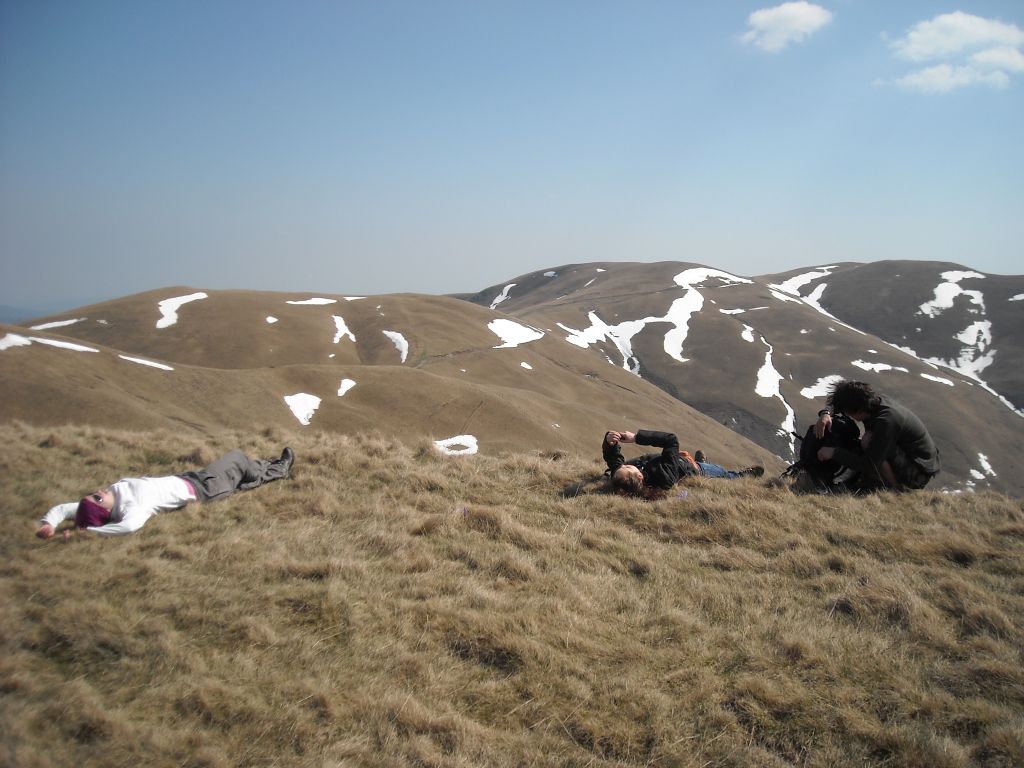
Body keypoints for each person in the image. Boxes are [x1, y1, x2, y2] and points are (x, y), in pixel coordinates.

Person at [36, 447, 295, 538]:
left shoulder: (107, 499)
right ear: (103, 510)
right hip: (203, 489)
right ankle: (278, 470)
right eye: (97, 498)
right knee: (237, 460)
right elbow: (128, 528)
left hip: (191, 478)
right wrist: (87, 533)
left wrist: (49, 524)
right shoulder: (132, 509)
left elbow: (64, 509)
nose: (98, 491)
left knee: (239, 474)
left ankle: (269, 467)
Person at [813, 380, 939, 491]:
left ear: (857, 410)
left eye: (848, 412)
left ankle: (894, 488)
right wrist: (825, 414)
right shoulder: (871, 402)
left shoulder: (886, 421)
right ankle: (878, 481)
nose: (847, 415)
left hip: (918, 473)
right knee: (867, 440)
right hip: (911, 458)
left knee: (867, 441)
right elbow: (838, 403)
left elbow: (869, 464)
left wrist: (834, 453)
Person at [603, 429, 762, 497]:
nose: (625, 465)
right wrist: (637, 438)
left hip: (678, 461)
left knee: (685, 460)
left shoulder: (622, 479)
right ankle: (743, 475)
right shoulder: (663, 476)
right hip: (694, 469)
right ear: (639, 477)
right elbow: (671, 440)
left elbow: (615, 461)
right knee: (723, 473)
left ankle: (700, 460)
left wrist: (610, 442)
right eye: (629, 467)